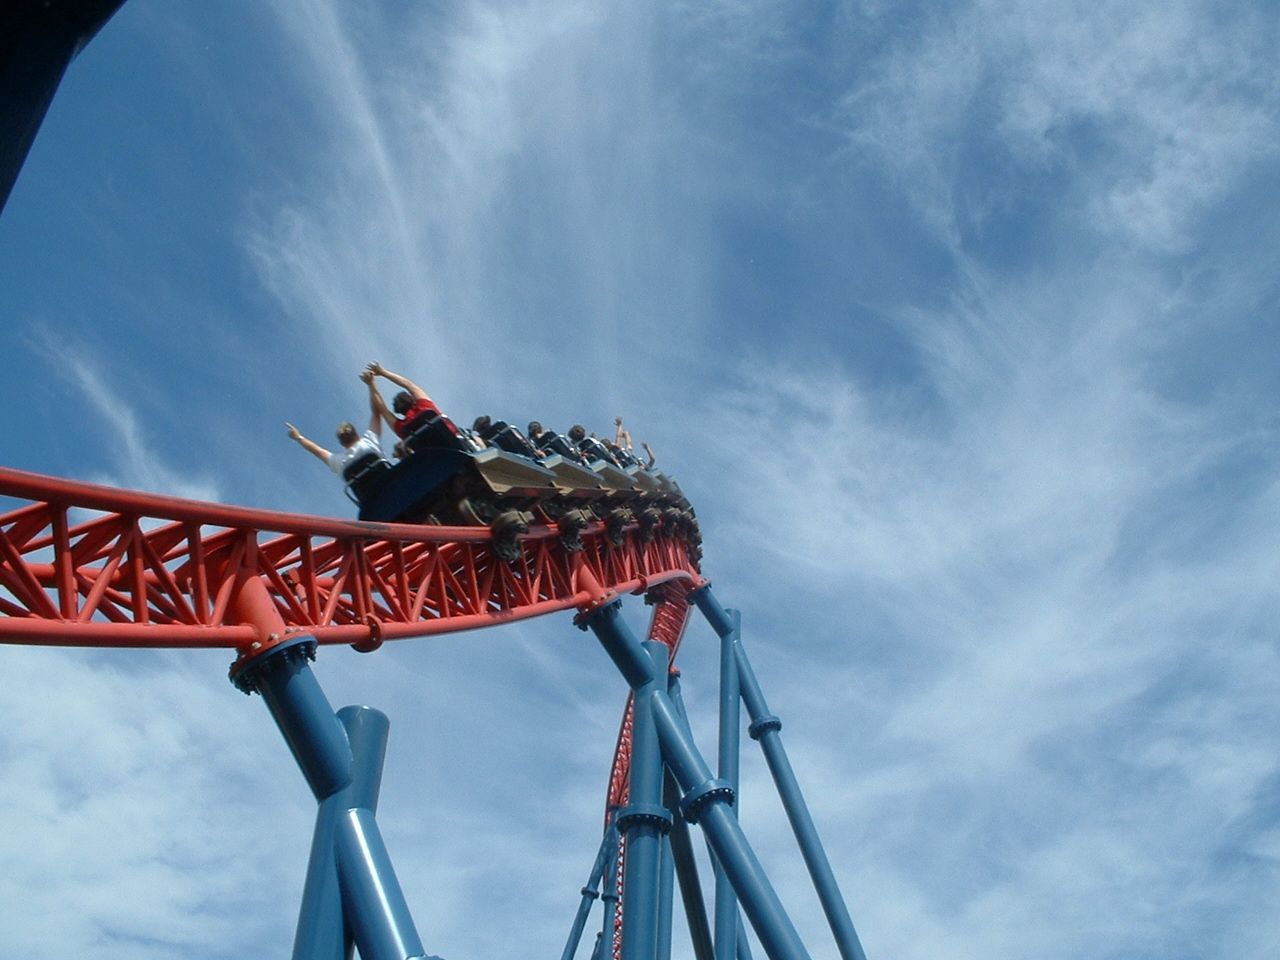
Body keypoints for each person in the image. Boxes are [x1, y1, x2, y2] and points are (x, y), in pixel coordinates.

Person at [286, 370, 390, 485]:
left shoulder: (338, 462)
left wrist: (298, 437)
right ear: (356, 433)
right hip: (397, 488)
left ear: (341, 443)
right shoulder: (370, 440)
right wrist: (371, 384)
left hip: (374, 502)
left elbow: (317, 451)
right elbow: (376, 412)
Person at [365, 361, 463, 450]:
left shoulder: (402, 428)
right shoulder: (425, 407)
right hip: (458, 445)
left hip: (436, 462)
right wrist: (383, 372)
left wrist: (371, 384)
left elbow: (382, 409)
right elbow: (409, 385)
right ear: (411, 399)